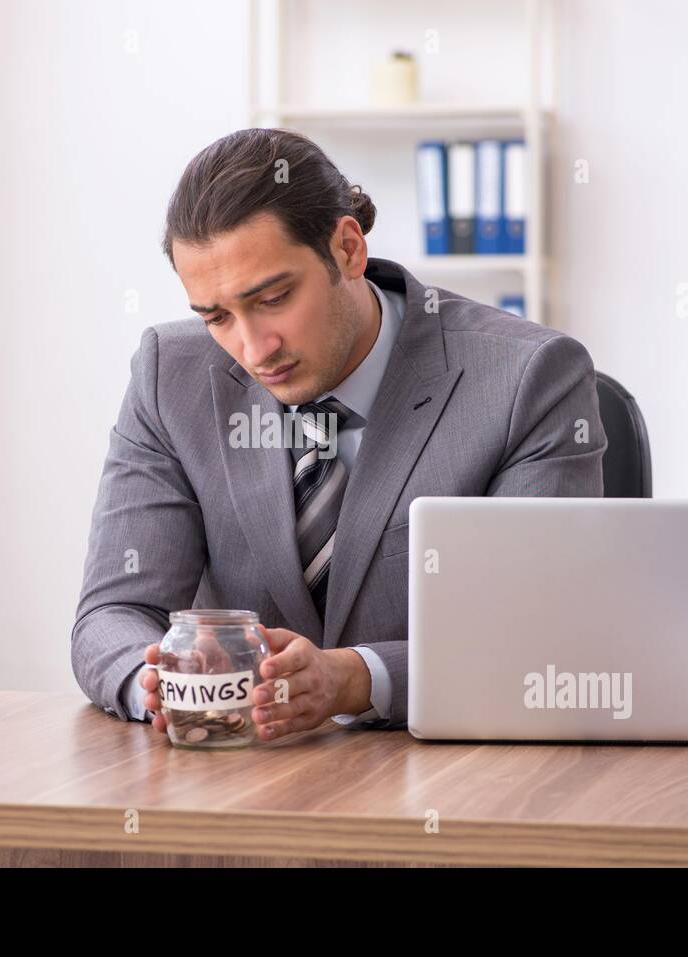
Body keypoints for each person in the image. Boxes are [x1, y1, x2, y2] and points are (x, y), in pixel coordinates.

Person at [71, 127, 606, 742]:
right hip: (245, 780)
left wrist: (353, 678)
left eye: (273, 298)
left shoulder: (526, 379)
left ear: (348, 249)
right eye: (217, 317)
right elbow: (112, 614)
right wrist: (160, 681)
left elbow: (538, 636)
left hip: (452, 782)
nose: (252, 348)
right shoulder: (172, 375)